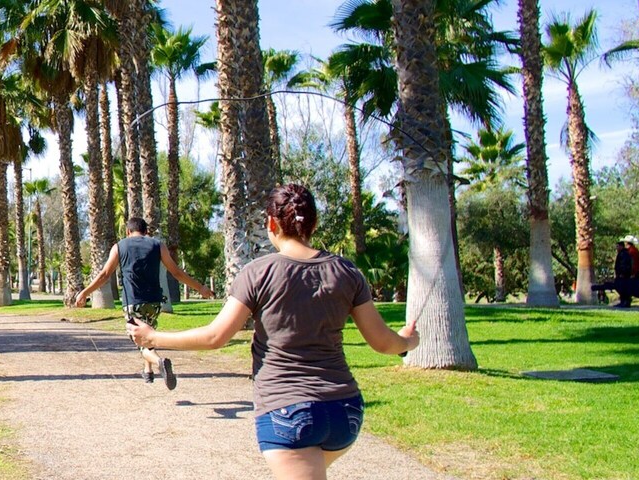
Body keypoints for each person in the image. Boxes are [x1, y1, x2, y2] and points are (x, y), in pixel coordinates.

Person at [127, 184, 418, 479]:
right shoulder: (346, 271)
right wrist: (408, 341)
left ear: (271, 223)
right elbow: (383, 342)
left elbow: (216, 336)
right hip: (346, 413)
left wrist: (153, 338)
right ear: (314, 223)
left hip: (288, 413)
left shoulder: (257, 273)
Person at [72, 217, 215, 390]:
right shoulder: (158, 245)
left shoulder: (119, 247)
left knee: (139, 339)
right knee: (148, 334)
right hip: (155, 301)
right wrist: (201, 289)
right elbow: (176, 272)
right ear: (147, 231)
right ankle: (148, 371)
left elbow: (104, 275)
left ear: (127, 231)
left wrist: (84, 293)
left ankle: (158, 361)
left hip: (133, 301)